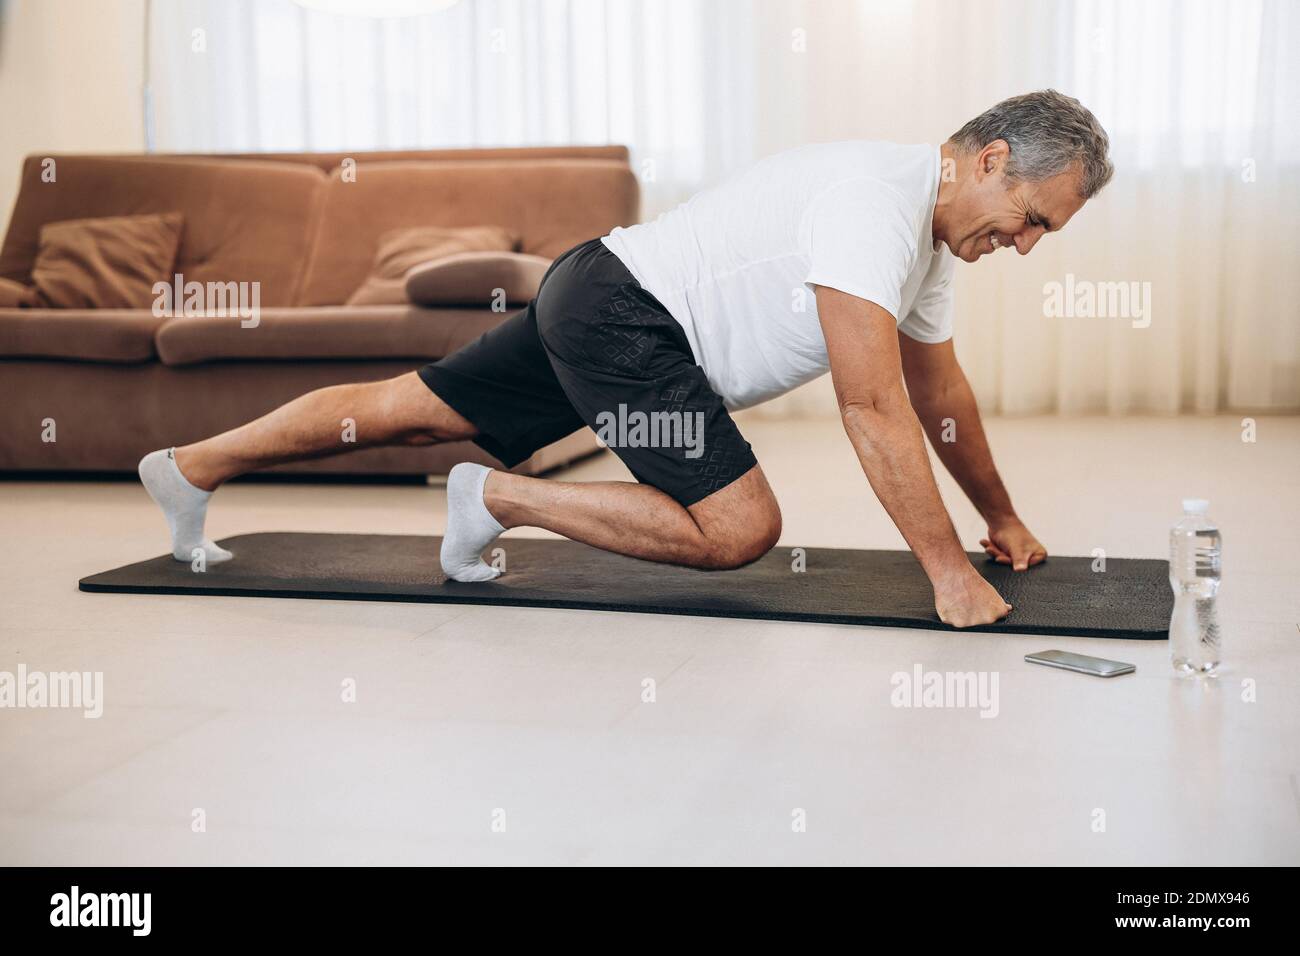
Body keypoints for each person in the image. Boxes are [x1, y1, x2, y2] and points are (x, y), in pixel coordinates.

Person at [138, 89, 1113, 629]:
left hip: (600, 288)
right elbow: (873, 405)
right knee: (736, 526)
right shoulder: (874, 204)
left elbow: (937, 392)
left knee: (413, 404)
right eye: (1032, 220)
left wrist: (1000, 516)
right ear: (988, 159)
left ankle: (189, 466)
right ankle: (495, 497)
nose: (1026, 244)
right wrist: (944, 571)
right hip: (628, 318)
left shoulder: (920, 238)